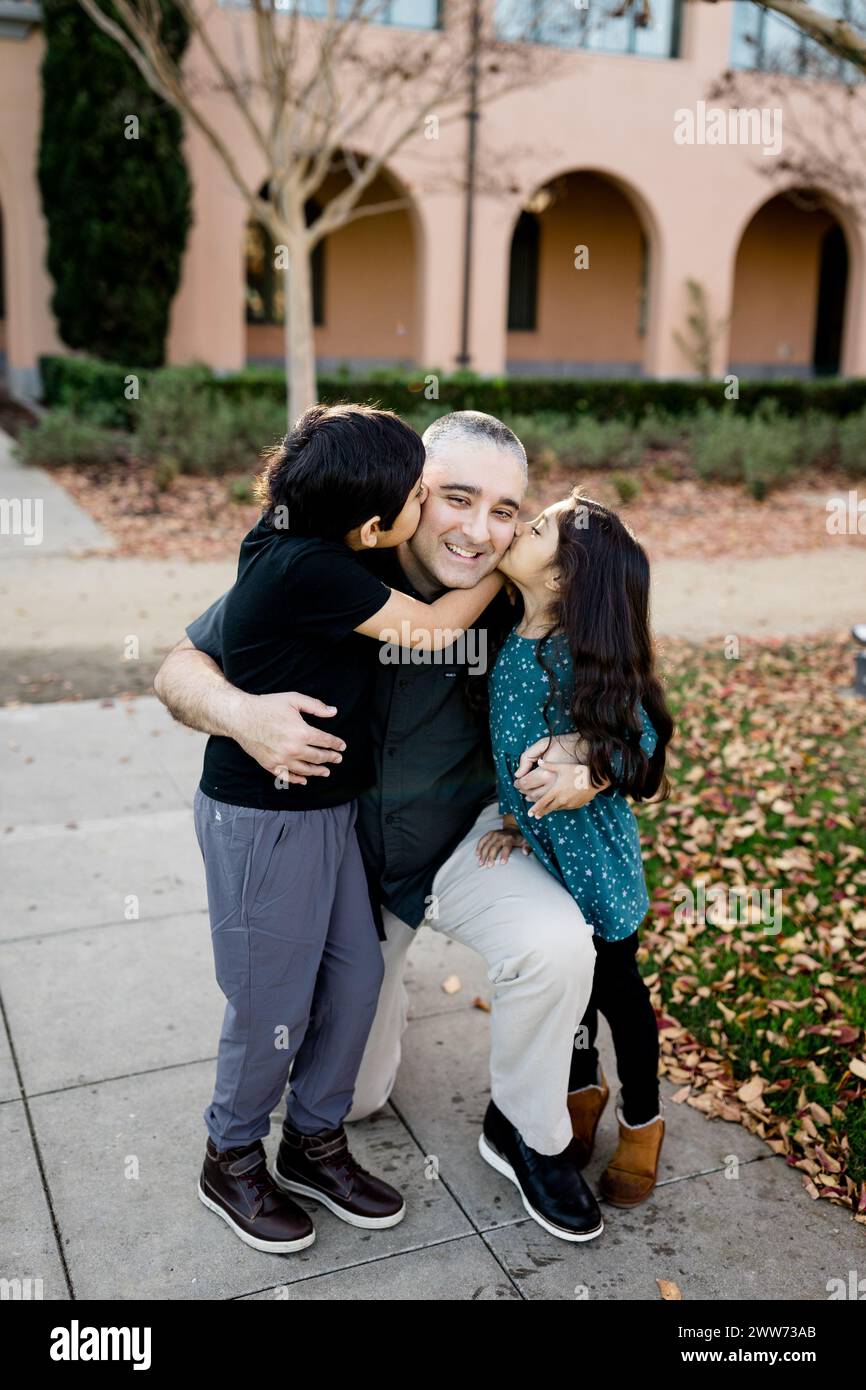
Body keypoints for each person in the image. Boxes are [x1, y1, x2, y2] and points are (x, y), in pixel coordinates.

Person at [155, 411, 604, 1244]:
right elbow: (179, 668)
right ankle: (265, 1139)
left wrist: (587, 759)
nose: (479, 530)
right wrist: (243, 715)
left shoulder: (529, 592)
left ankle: (528, 1131)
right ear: (403, 497)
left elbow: (622, 695)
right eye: (456, 498)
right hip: (341, 851)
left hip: (467, 840)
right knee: (350, 1088)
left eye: (505, 510)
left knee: (555, 943)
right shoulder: (327, 561)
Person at [194, 404, 503, 1255]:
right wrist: (507, 570)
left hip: (325, 811)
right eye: (420, 493)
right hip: (264, 820)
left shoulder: (320, 540)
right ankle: (231, 1156)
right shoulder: (305, 567)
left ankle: (314, 1143)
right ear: (372, 522)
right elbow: (438, 629)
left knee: (357, 977)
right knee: (270, 1004)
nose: (427, 503)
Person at [477, 491, 674, 1208]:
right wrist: (508, 818)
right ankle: (579, 1092)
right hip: (540, 862)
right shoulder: (505, 629)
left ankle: (643, 1118)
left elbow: (644, 741)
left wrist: (592, 767)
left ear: (562, 578)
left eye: (533, 529)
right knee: (570, 997)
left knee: (618, 996)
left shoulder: (578, 657)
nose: (516, 530)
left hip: (597, 871)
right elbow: (504, 750)